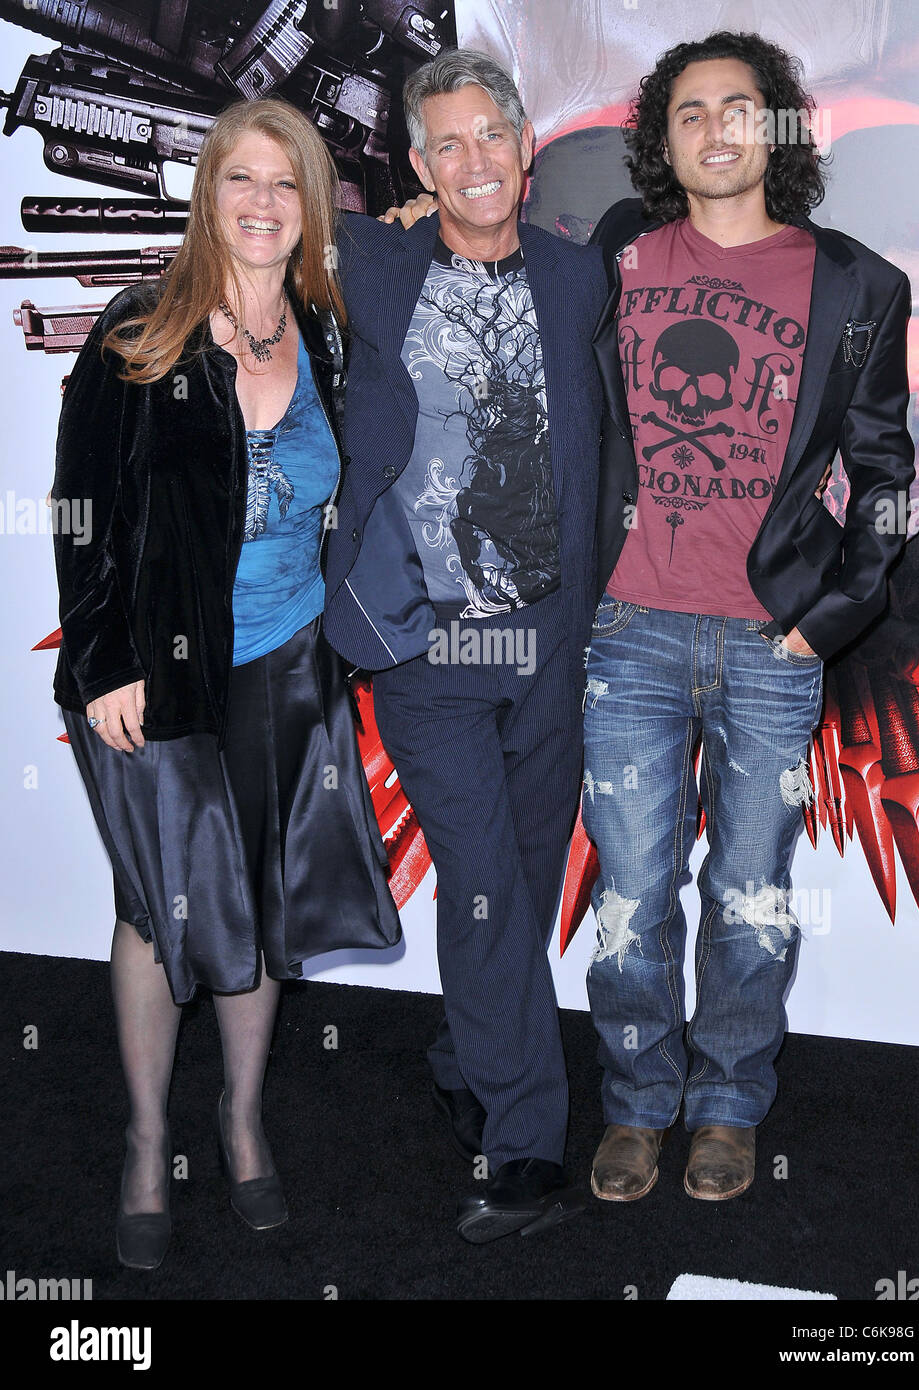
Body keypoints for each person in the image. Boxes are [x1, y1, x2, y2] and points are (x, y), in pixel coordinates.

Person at [51, 98, 401, 1271]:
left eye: (285, 183)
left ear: (309, 205)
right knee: (160, 906)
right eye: (240, 179)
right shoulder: (142, 325)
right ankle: (149, 1141)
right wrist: (101, 663)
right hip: (156, 676)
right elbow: (80, 510)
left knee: (260, 901)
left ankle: (240, 1120)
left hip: (292, 662)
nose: (261, 202)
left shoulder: (322, 325)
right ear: (208, 192)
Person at [585, 31, 915, 1203]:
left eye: (739, 106)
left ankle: (726, 1100)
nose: (715, 128)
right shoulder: (618, 255)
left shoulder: (857, 282)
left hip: (772, 637)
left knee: (751, 890)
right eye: (688, 112)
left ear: (779, 126)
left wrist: (825, 619)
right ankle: (634, 1100)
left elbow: (884, 475)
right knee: (630, 892)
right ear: (660, 141)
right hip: (626, 628)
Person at [322, 48, 608, 1242]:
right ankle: (524, 1143)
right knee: (485, 884)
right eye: (446, 142)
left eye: (489, 133)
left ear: (525, 140)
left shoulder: (577, 274)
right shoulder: (372, 265)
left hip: (548, 634)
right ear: (419, 163)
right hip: (427, 648)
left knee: (526, 881)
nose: (473, 159)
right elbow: (255, 213)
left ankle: (464, 1047)